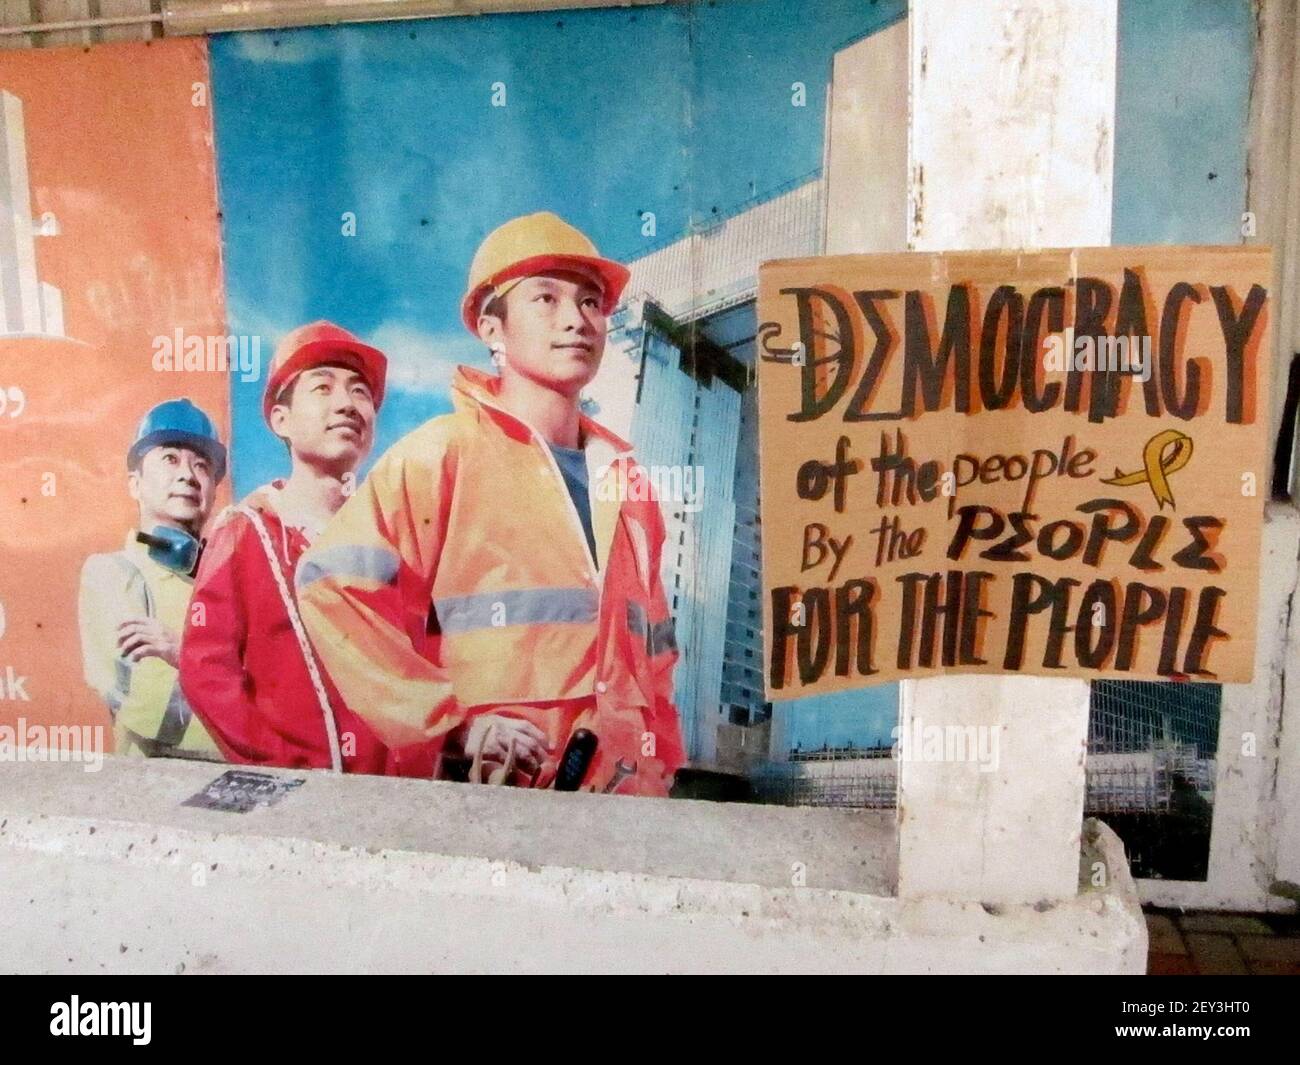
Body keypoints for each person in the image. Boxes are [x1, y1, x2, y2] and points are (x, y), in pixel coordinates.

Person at [297, 212, 685, 795]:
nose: (576, 321)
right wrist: (452, 725)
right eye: (545, 299)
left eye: (590, 303)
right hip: (503, 785)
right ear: (492, 329)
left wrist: (661, 765)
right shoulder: (444, 453)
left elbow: (656, 649)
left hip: (624, 792)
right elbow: (330, 585)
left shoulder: (627, 481)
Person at [179, 322, 435, 776]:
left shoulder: (396, 539)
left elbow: (430, 658)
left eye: (360, 393)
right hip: (300, 801)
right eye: (322, 387)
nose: (346, 404)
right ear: (282, 420)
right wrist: (281, 769)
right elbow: (206, 671)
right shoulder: (247, 531)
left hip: (402, 798)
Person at [78, 398, 225, 759]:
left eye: (202, 465)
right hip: (157, 797)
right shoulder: (111, 574)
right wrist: (250, 721)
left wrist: (179, 656)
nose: (188, 475)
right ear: (135, 484)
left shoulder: (229, 581)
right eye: (170, 459)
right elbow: (154, 713)